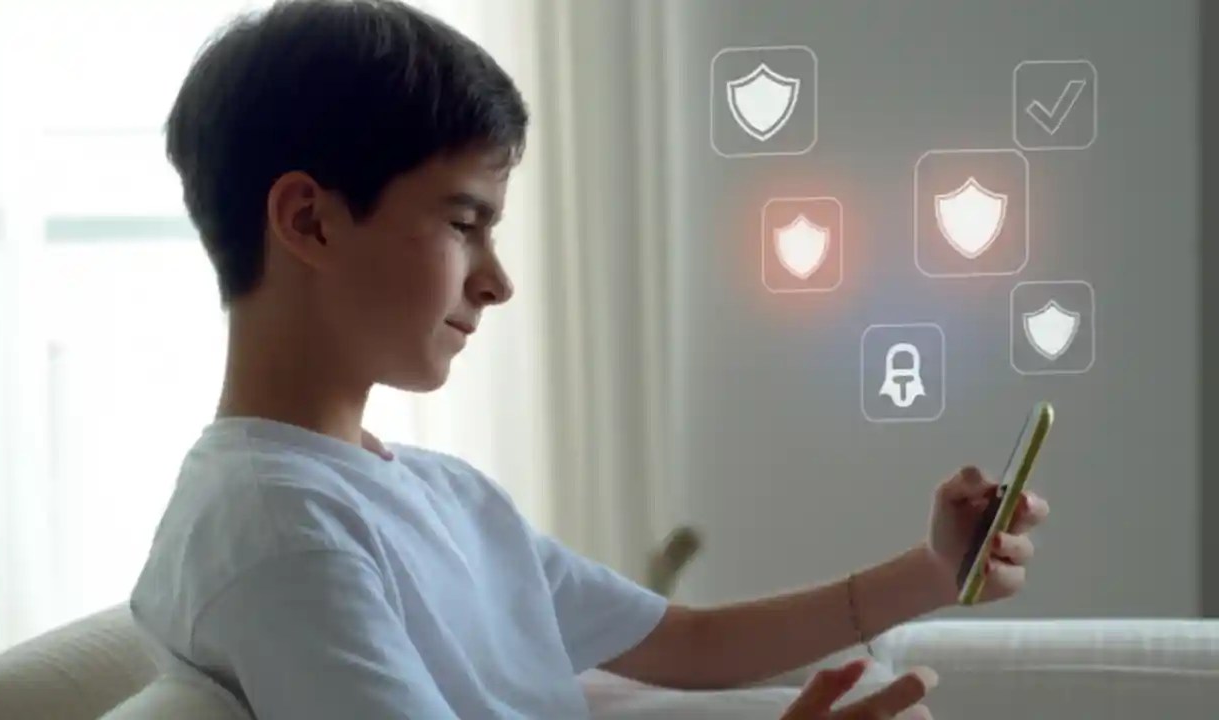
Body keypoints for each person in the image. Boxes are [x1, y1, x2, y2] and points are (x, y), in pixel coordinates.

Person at [128, 1, 1051, 718]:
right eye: (463, 223)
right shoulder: (279, 535)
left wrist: (934, 572)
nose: (497, 280)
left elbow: (684, 643)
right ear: (308, 220)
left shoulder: (433, 493)